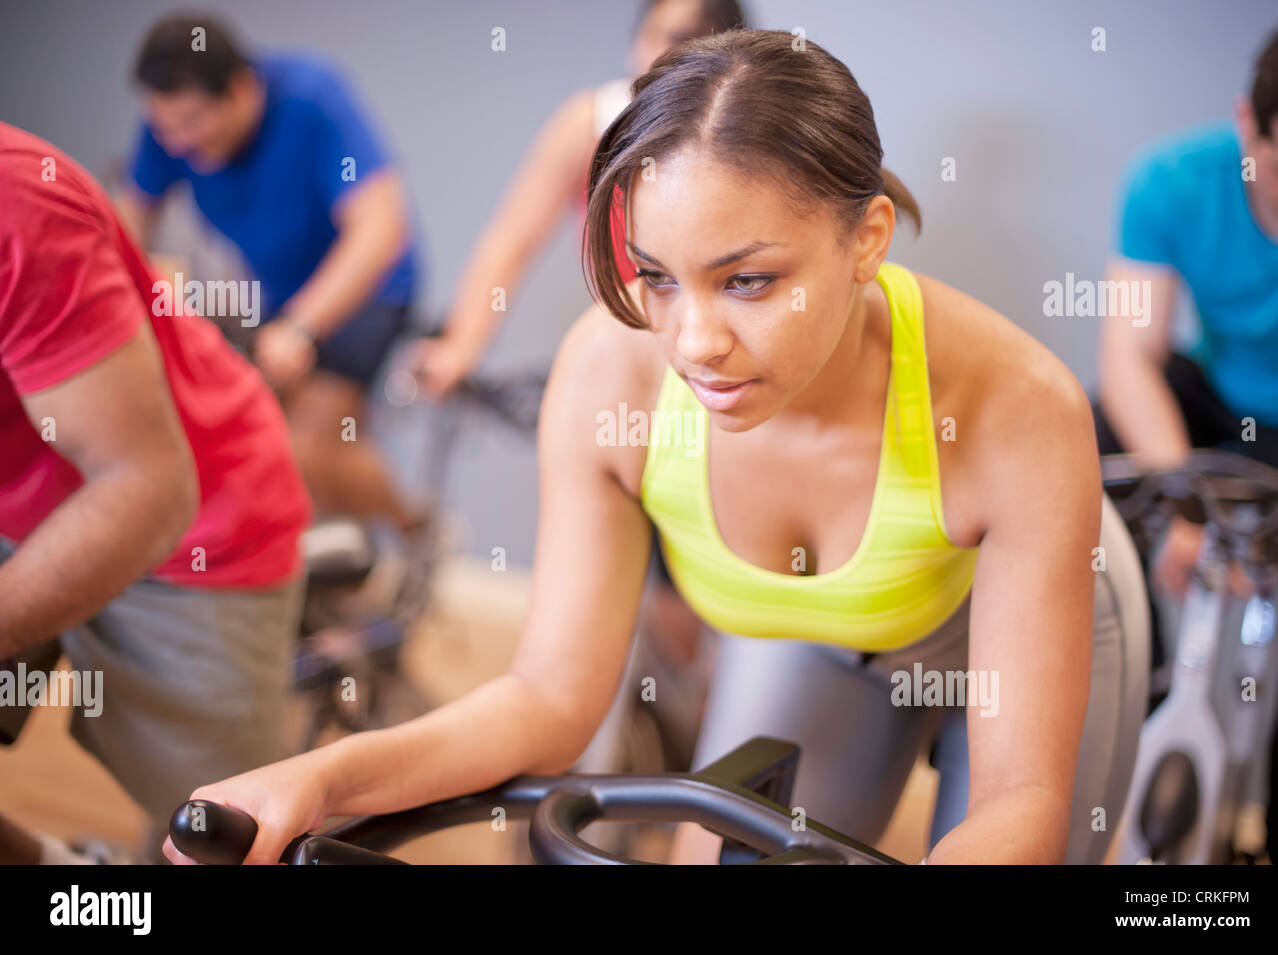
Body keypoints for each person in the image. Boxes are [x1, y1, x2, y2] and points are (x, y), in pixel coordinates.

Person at [165, 29, 1148, 866]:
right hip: (815, 638)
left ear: (867, 239)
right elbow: (548, 697)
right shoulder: (611, 378)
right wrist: (318, 778)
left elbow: (1022, 802)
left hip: (1020, 625)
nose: (693, 342)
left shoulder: (1018, 408)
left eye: (748, 281)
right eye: (658, 278)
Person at [0, 121, 312, 862]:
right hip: (26, 493)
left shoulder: (17, 206)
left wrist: (301, 328)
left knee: (215, 836)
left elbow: (145, 489)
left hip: (198, 512)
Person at [411, 0, 749, 680]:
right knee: (620, 574)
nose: (660, 53)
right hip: (629, 382)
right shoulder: (590, 122)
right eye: (653, 36)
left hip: (719, 384)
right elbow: (512, 238)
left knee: (705, 585)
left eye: (684, 39)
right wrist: (461, 347)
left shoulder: (743, 128)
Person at [1093, 17, 1278, 864]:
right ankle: (1123, 722)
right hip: (1213, 405)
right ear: (1248, 122)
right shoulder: (1172, 180)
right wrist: (1183, 506)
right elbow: (1129, 358)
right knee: (1093, 435)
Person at [116, 13, 425, 537]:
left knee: (310, 447)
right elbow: (124, 231)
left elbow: (380, 229)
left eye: (192, 123)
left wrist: (302, 326)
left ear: (241, 88)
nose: (177, 144)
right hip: (279, 298)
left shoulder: (313, 98)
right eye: (164, 128)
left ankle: (419, 529)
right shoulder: (170, 129)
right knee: (255, 441)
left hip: (367, 288)